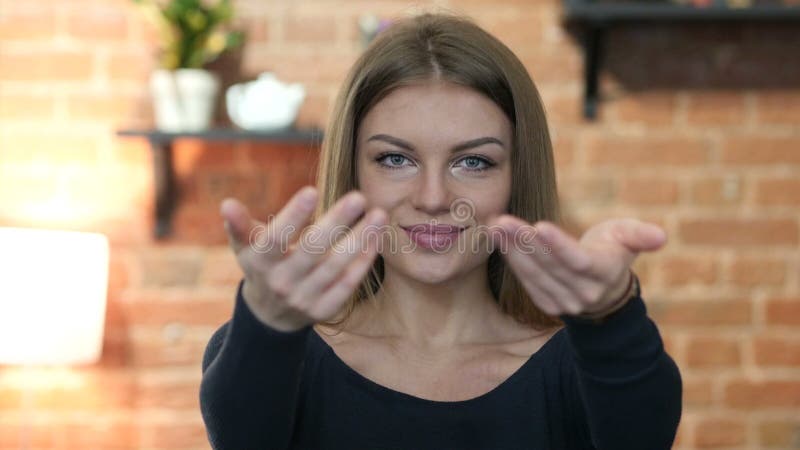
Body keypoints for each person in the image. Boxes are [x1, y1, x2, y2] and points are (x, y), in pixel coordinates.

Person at [200, 11, 682, 450]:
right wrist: (264, 325)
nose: (433, 198)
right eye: (395, 159)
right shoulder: (279, 358)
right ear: (354, 173)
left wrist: (611, 318)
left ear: (517, 177)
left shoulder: (580, 374)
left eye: (474, 161)